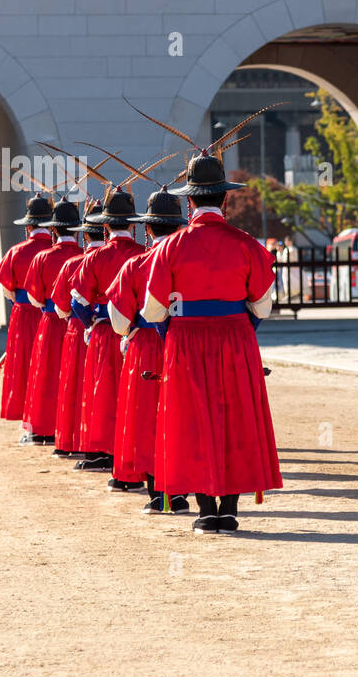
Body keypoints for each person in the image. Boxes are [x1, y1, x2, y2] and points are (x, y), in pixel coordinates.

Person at [140, 149, 282, 536]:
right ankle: (230, 509)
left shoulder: (168, 247)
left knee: (192, 420)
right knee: (235, 419)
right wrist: (238, 323)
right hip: (235, 338)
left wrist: (174, 329)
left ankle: (205, 509)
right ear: (225, 198)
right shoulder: (246, 244)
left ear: (188, 201)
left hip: (186, 340)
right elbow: (263, 305)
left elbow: (153, 311)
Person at [108, 190, 190, 512]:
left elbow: (118, 320)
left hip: (146, 344)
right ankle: (182, 489)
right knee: (184, 414)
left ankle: (159, 493)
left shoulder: (135, 265)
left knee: (148, 418)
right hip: (185, 342)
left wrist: (128, 333)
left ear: (147, 229)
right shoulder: (190, 259)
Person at [70, 189, 146, 472]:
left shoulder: (95, 258)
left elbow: (78, 301)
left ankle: (104, 452)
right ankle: (131, 454)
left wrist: (91, 323)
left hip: (103, 331)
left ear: (105, 226)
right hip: (138, 333)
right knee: (134, 397)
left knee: (103, 393)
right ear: (135, 225)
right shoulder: (144, 254)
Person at [19, 201, 81, 446]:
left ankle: (43, 428)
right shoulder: (82, 256)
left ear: (54, 230)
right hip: (77, 323)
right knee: (73, 379)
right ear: (78, 230)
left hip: (50, 321)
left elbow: (34, 298)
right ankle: (70, 428)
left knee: (45, 375)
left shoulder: (43, 257)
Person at [51, 206, 104, 459]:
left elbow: (62, 307)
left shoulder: (75, 264)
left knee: (77, 389)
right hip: (122, 331)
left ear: (85, 236)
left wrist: (88, 321)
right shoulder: (136, 257)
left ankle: (82, 444)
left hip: (80, 328)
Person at [0, 194, 54, 426]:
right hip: (52, 315)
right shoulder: (56, 250)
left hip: (24, 314)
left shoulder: (16, 252)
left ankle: (28, 418)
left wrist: (20, 304)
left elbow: (7, 290)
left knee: (23, 364)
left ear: (28, 225)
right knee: (50, 365)